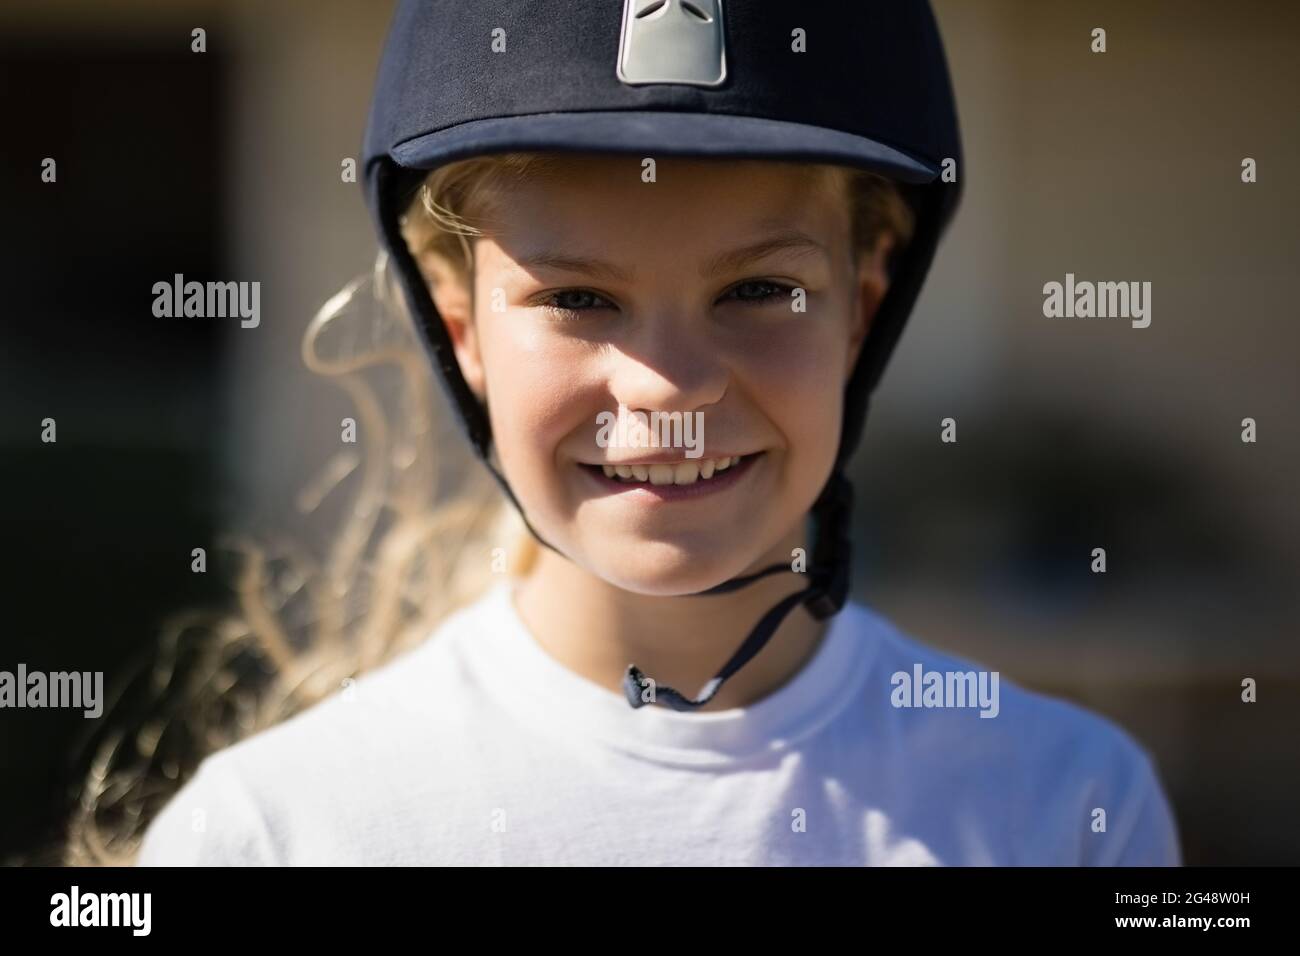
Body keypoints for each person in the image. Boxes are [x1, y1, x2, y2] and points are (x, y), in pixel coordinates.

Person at [120, 0, 1180, 865]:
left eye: (760, 287)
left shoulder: (1067, 806)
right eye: (577, 298)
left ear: (859, 312)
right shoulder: (276, 833)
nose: (668, 388)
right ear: (463, 333)